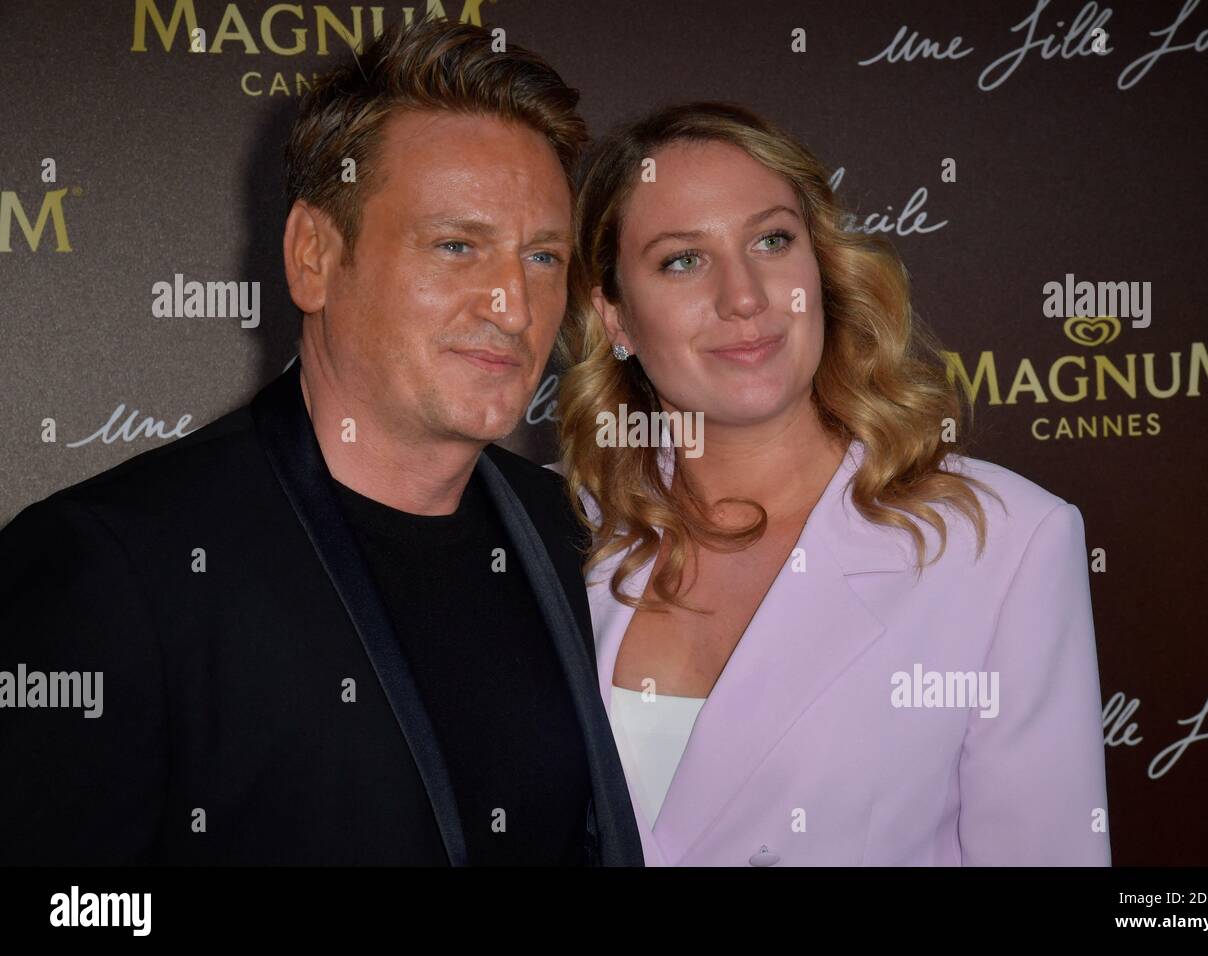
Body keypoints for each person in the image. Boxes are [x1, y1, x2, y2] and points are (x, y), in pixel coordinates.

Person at [0, 19, 642, 867]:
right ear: (312, 254)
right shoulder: (113, 566)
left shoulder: (573, 537)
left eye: (542, 258)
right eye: (457, 246)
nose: (513, 307)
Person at [552, 102, 1111, 866]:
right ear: (613, 316)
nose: (744, 296)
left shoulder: (1002, 540)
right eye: (683, 259)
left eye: (772, 240)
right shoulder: (544, 530)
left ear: (821, 267)